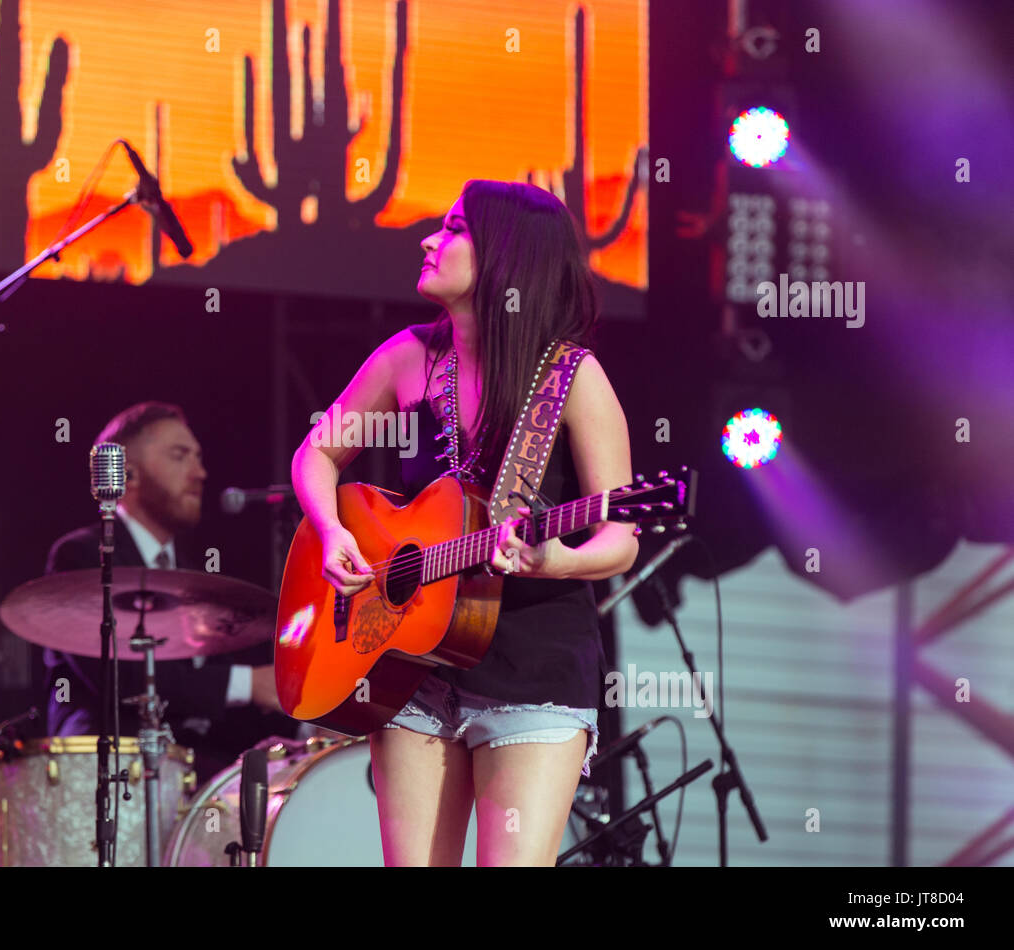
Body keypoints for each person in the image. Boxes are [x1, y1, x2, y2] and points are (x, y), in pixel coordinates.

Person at [290, 181, 639, 866]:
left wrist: (555, 561)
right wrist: (334, 531)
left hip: (533, 672)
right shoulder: (408, 357)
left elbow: (621, 534)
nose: (428, 241)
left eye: (451, 230)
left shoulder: (572, 379)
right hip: (413, 666)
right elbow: (318, 452)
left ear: (507, 256)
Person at [43, 401, 300, 783]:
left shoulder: (191, 577)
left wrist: (302, 735)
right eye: (180, 456)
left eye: (199, 458)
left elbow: (203, 700)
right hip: (105, 774)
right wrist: (251, 684)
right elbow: (125, 679)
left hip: (187, 771)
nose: (200, 473)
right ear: (129, 473)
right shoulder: (83, 556)